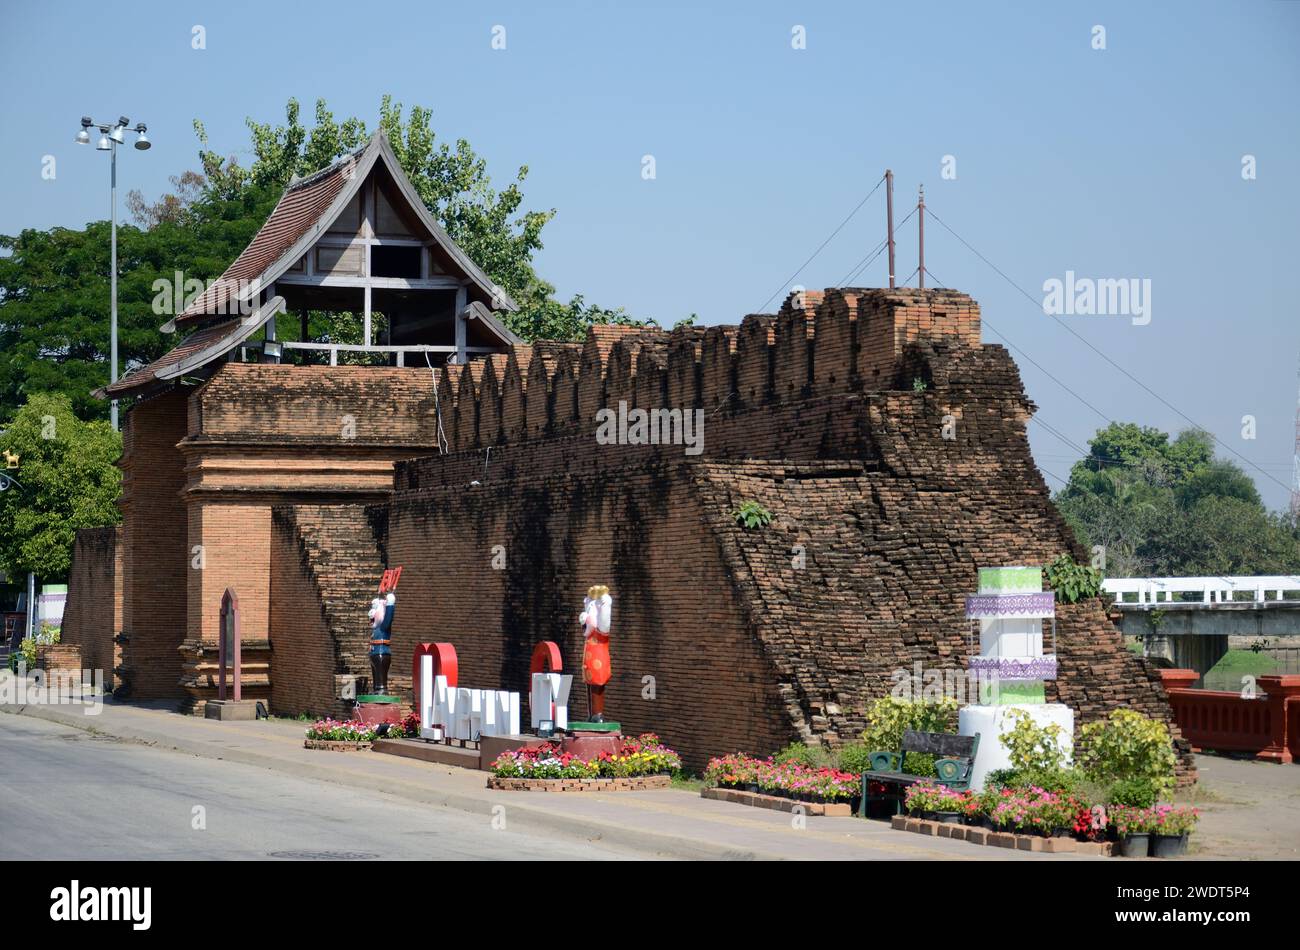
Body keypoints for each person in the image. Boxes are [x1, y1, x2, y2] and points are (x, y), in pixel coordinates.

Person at [579, 585, 612, 722]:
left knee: (598, 683)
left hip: (599, 656)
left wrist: (605, 604)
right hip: (589, 659)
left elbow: (604, 624)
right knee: (590, 683)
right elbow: (587, 627)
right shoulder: (589, 631)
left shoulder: (600, 629)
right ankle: (591, 713)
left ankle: (598, 714)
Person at [368, 591, 395, 694]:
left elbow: (389, 617)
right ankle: (376, 689)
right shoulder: (376, 629)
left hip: (381, 653)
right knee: (375, 673)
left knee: (380, 673)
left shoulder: (384, 627)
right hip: (374, 653)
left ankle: (381, 689)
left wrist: (390, 604)